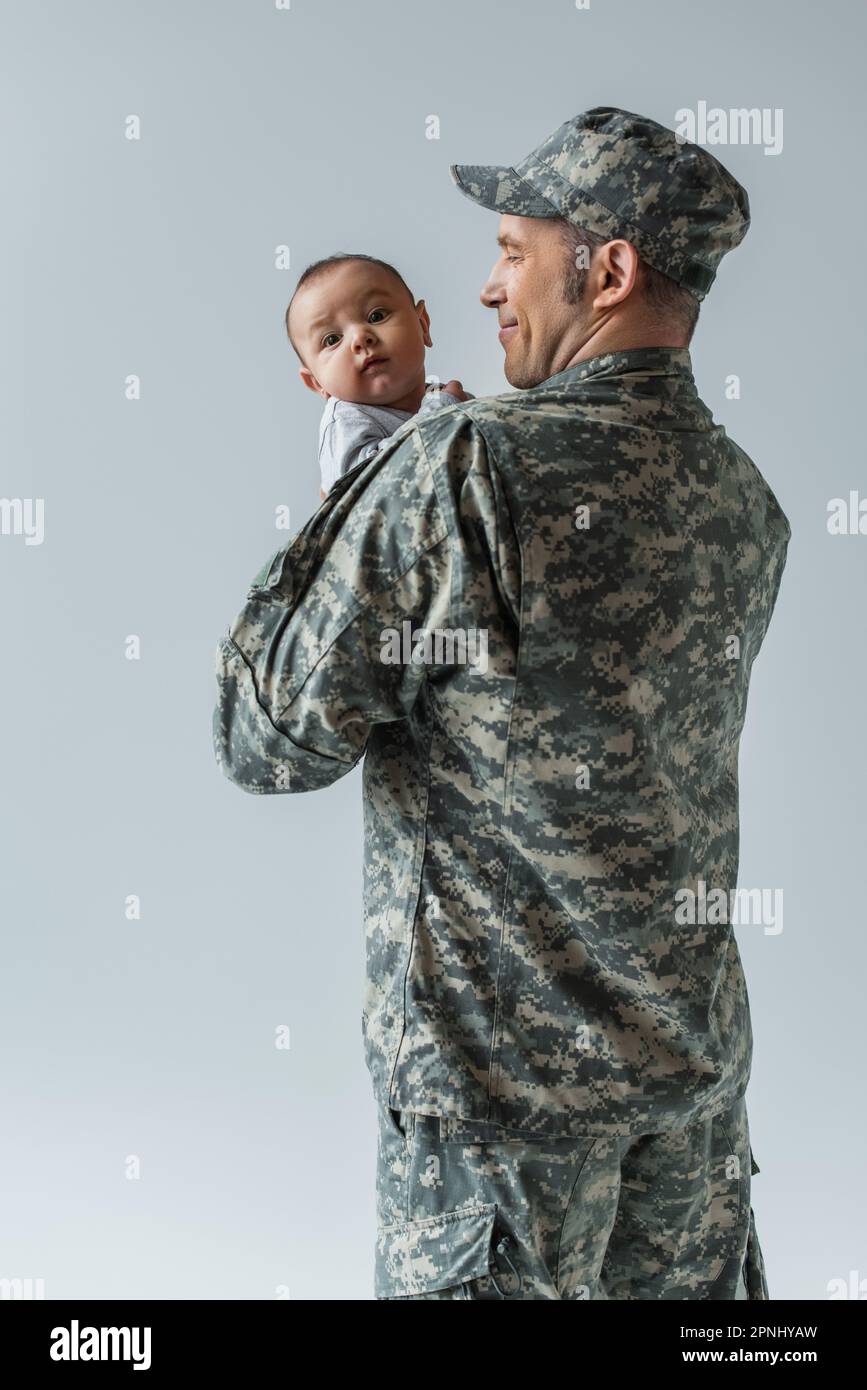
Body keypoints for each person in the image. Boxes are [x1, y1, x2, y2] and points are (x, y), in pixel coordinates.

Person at [212, 106, 790, 1300]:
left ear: (611, 271)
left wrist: (347, 510)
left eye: (514, 252)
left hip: (503, 1123)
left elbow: (266, 736)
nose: (486, 289)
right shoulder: (743, 498)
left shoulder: (461, 465)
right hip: (688, 1100)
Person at [284, 251, 468, 499]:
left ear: (423, 325)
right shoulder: (345, 420)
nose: (360, 338)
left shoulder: (442, 396)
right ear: (317, 383)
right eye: (332, 339)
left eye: (376, 316)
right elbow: (374, 491)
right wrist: (440, 412)